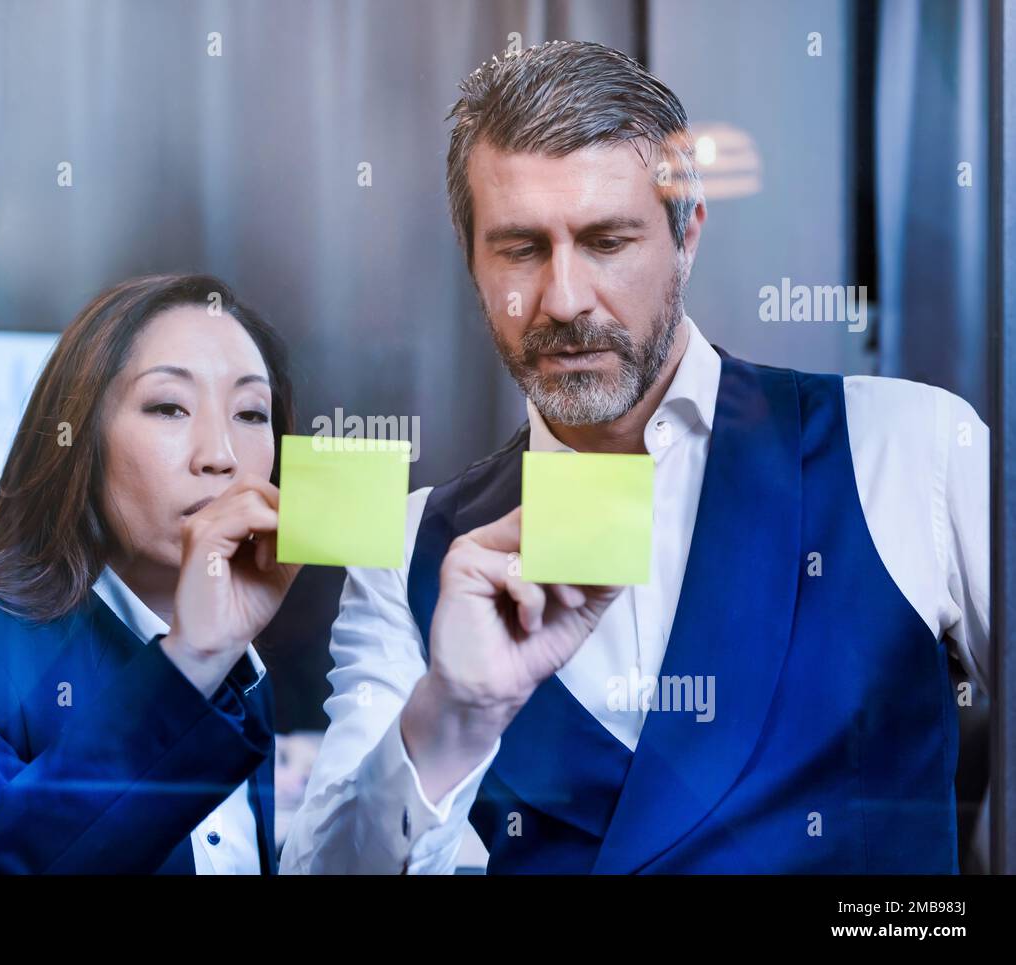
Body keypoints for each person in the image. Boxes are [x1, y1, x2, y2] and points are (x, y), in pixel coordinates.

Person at [280, 40, 990, 874]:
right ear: (472, 261)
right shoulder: (407, 550)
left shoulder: (910, 447)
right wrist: (454, 715)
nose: (566, 299)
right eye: (520, 249)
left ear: (687, 231)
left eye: (607, 241)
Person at [0, 273, 301, 874]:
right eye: (169, 407)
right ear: (80, 440)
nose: (220, 454)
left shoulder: (242, 668)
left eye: (250, 412)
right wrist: (190, 662)